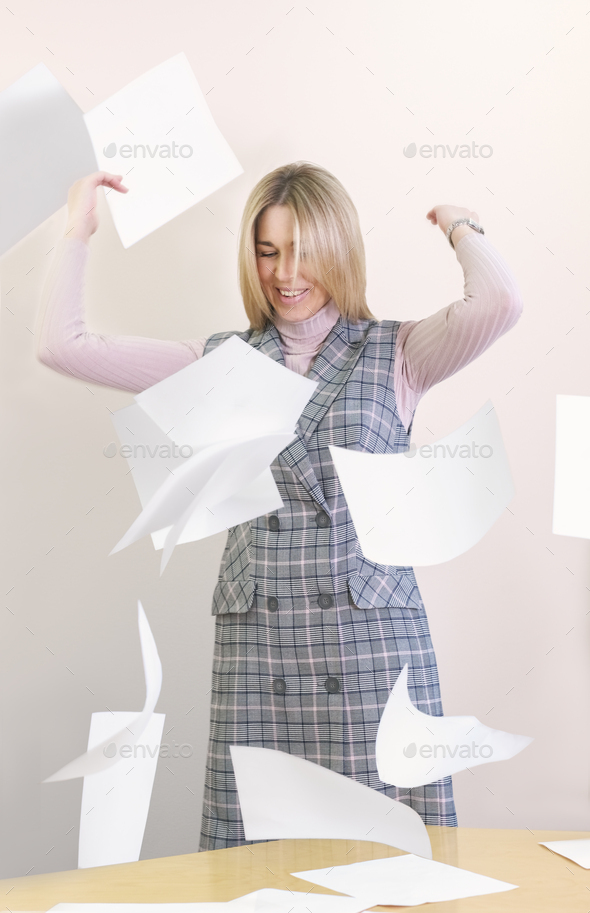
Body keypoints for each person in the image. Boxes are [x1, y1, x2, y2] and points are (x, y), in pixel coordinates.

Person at [36, 162, 523, 850]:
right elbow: (63, 346)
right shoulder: (221, 362)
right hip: (262, 650)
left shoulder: (400, 352)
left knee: (389, 857)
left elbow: (501, 302)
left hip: (370, 650)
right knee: (262, 865)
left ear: (340, 251)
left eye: (303, 251)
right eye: (267, 251)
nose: (285, 273)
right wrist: (78, 230)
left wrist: (459, 224)